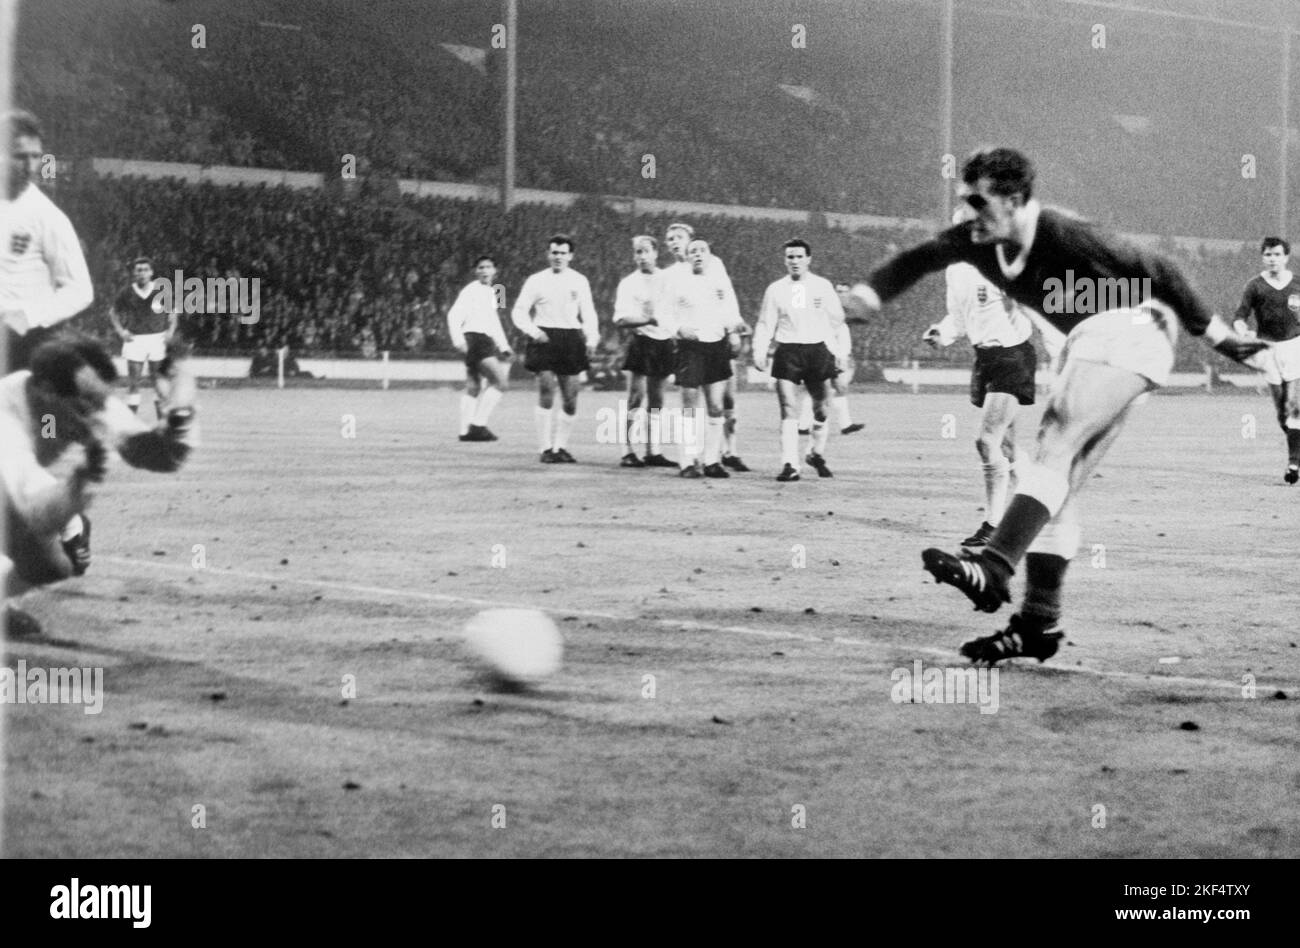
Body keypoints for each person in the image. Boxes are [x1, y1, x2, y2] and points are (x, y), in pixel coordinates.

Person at [845, 147, 1267, 665]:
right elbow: (916, 259)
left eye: (978, 202)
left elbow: (1162, 269)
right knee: (1055, 483)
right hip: (1091, 341)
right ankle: (1037, 624)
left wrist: (1221, 338)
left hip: (1136, 323)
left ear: (1015, 200)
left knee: (1054, 440)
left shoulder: (1063, 233)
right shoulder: (977, 240)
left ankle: (994, 566)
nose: (966, 214)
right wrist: (867, 296)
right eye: (963, 201)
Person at [2, 333, 197, 635]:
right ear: (45, 391)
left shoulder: (68, 401)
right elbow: (34, 513)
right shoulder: (8, 422)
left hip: (17, 479)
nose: (95, 415)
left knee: (53, 563)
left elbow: (162, 455)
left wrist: (182, 383)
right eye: (85, 406)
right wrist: (78, 485)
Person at [923, 205, 1063, 548]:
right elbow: (957, 318)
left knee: (985, 440)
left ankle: (994, 524)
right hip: (985, 359)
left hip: (1013, 357)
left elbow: (1034, 306)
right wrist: (941, 333)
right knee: (1008, 447)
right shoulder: (955, 271)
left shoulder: (1003, 265)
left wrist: (1056, 346)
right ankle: (1042, 505)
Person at [1, 109, 93, 372]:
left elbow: (81, 290)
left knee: (30, 414)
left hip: (23, 348)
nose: (30, 166)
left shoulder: (48, 216)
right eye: (20, 156)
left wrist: (27, 316)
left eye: (36, 157)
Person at [752, 239, 850, 481]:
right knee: (788, 407)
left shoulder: (822, 286)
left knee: (822, 409)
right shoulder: (775, 289)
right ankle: (790, 465)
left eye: (798, 257)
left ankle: (814, 453)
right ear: (785, 260)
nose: (794, 261)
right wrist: (759, 350)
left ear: (808, 259)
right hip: (788, 351)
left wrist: (839, 354)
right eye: (790, 257)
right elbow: (766, 323)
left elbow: (836, 321)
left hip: (817, 350)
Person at [662, 222, 751, 471]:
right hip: (690, 348)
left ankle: (712, 460)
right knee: (690, 404)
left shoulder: (718, 277)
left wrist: (735, 328)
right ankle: (688, 461)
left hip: (716, 346)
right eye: (693, 252)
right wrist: (678, 329)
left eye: (703, 251)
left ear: (710, 255)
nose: (698, 255)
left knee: (715, 406)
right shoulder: (675, 279)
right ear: (688, 257)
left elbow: (729, 307)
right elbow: (663, 312)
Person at [511, 235, 599, 463]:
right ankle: (545, 449)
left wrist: (592, 340)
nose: (558, 257)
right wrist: (534, 331)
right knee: (546, 391)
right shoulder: (535, 280)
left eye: (562, 253)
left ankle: (560, 447)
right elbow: (518, 311)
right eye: (554, 253)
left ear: (571, 256)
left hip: (570, 338)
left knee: (570, 399)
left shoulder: (580, 280)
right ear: (548, 254)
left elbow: (588, 313)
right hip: (544, 337)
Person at [1232, 237, 1300, 483]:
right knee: (1282, 414)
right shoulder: (1255, 286)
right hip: (1268, 349)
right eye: (1268, 255)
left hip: (1294, 347)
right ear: (1263, 257)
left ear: (1286, 257)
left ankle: (1293, 465)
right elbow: (1240, 316)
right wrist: (1242, 330)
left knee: (1294, 407)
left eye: (1277, 254)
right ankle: (1296, 449)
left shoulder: (1297, 284)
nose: (1272, 259)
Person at [611, 235, 677, 468]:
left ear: (656, 253)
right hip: (641, 342)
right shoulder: (629, 282)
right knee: (635, 398)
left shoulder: (668, 279)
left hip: (664, 342)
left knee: (658, 399)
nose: (641, 256)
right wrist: (647, 318)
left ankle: (653, 451)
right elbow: (620, 319)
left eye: (645, 251)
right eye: (637, 252)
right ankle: (627, 451)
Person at [447, 255, 512, 442]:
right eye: (481, 267)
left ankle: (465, 431)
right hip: (475, 339)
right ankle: (478, 425)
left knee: (474, 386)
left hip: (483, 339)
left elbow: (494, 321)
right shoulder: (470, 290)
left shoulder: (497, 291)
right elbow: (453, 315)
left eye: (488, 267)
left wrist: (503, 345)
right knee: (501, 382)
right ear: (476, 271)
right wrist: (458, 341)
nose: (484, 270)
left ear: (495, 270)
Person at [108, 257, 177, 419]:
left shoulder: (161, 290)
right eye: (139, 270)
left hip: (157, 339)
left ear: (151, 272)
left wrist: (170, 331)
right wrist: (121, 331)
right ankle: (131, 423)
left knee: (158, 382)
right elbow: (113, 313)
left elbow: (172, 313)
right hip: (135, 340)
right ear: (134, 273)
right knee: (133, 382)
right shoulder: (127, 291)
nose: (142, 273)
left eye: (146, 270)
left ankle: (162, 423)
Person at [797, 281, 865, 437]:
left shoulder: (843, 311)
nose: (841, 294)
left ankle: (843, 425)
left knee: (837, 388)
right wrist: (835, 355)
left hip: (833, 354)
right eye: (839, 291)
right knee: (822, 390)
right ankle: (804, 425)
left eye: (845, 291)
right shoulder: (828, 309)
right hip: (823, 353)